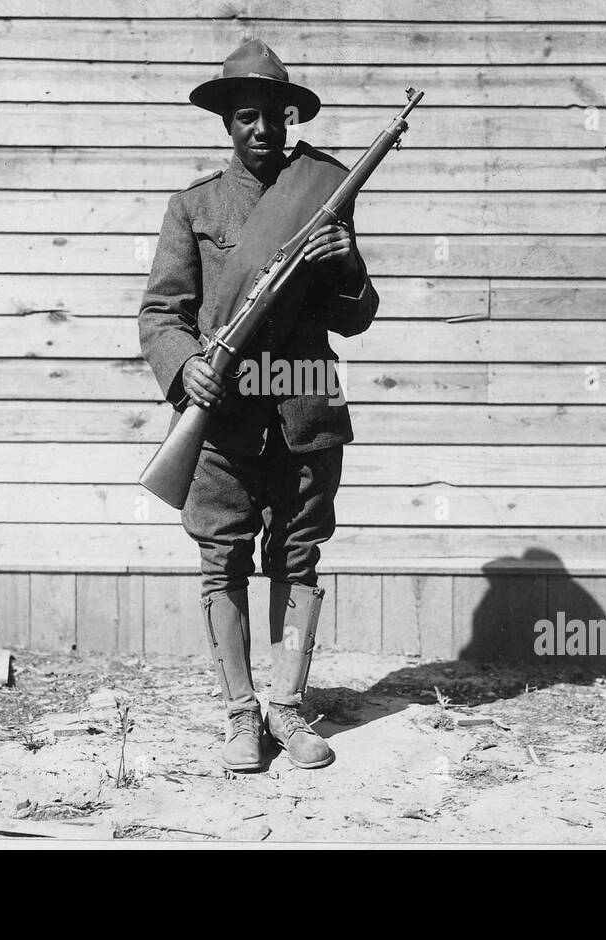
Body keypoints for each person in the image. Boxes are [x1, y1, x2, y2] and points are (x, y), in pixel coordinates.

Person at [138, 39, 379, 771]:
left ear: (289, 120)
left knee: (298, 558)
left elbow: (356, 315)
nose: (262, 131)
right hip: (226, 413)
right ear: (227, 125)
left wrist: (344, 261)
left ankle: (289, 709)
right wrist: (187, 371)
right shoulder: (194, 207)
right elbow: (159, 315)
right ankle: (242, 714)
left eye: (274, 116)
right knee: (223, 560)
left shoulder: (323, 194)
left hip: (304, 403)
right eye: (247, 117)